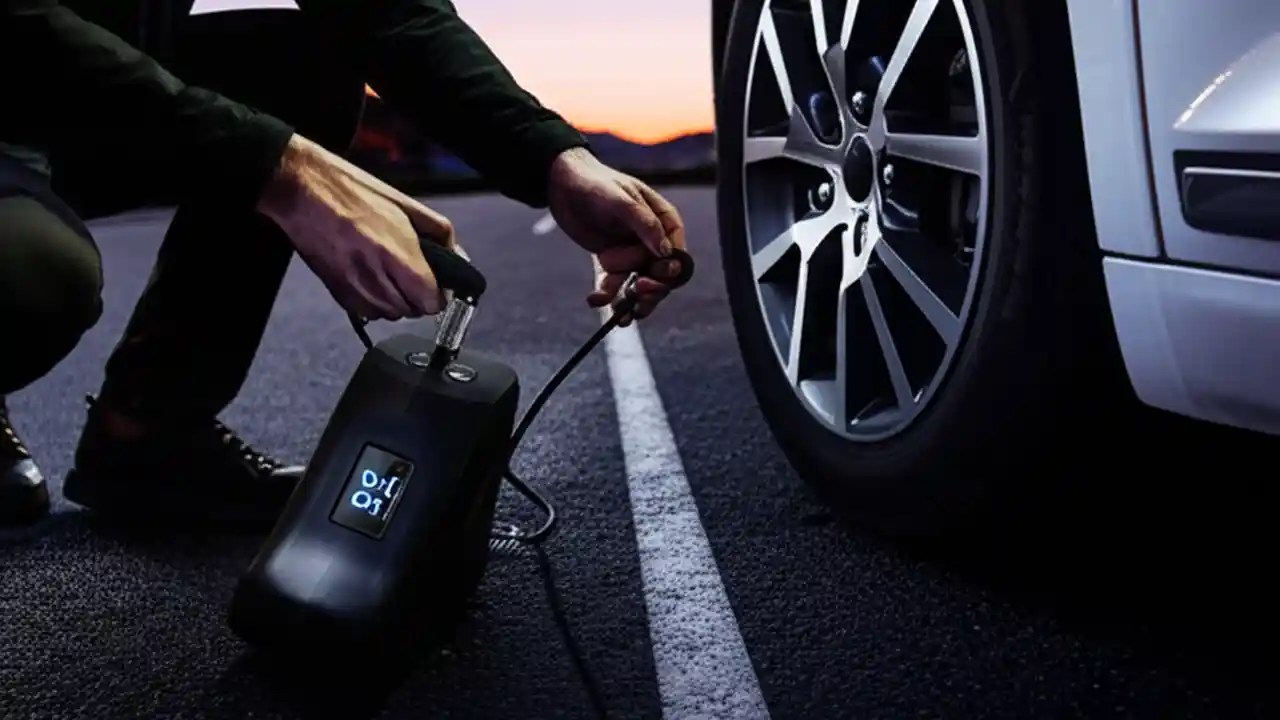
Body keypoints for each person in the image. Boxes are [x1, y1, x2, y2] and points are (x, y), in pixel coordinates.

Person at [0, 0, 689, 528]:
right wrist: (276, 164)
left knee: (299, 62)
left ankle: (150, 433)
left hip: (67, 108)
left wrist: (553, 160)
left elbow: (386, 12)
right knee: (32, 277)